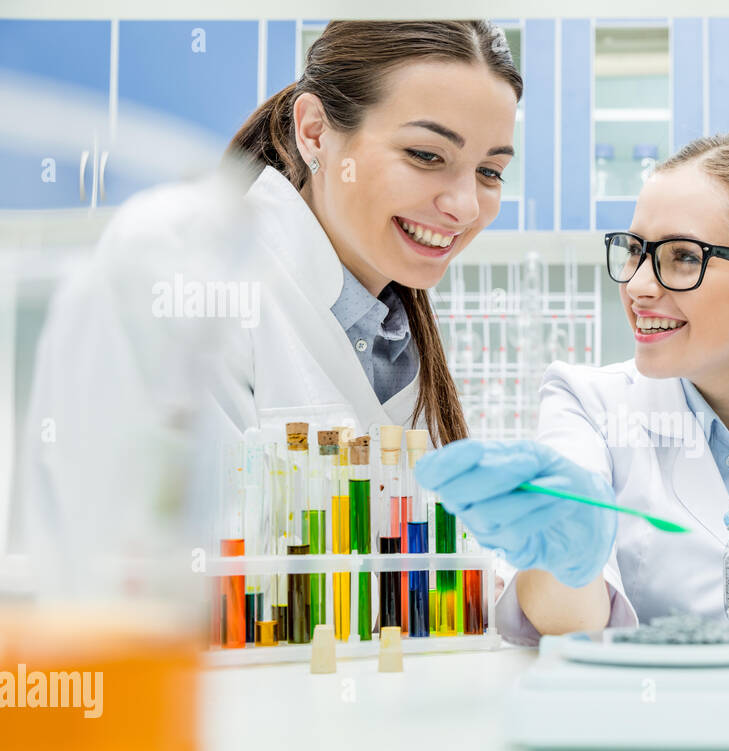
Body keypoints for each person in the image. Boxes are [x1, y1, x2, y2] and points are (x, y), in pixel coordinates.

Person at [20, 20, 520, 595]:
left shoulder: (396, 332)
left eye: (490, 172)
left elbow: (411, 591)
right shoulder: (183, 265)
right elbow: (140, 581)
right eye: (426, 154)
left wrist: (532, 582)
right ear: (314, 133)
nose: (463, 206)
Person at [418, 132, 729, 640]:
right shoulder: (587, 404)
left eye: (684, 257)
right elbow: (566, 622)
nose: (638, 286)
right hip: (637, 717)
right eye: (634, 251)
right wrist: (567, 544)